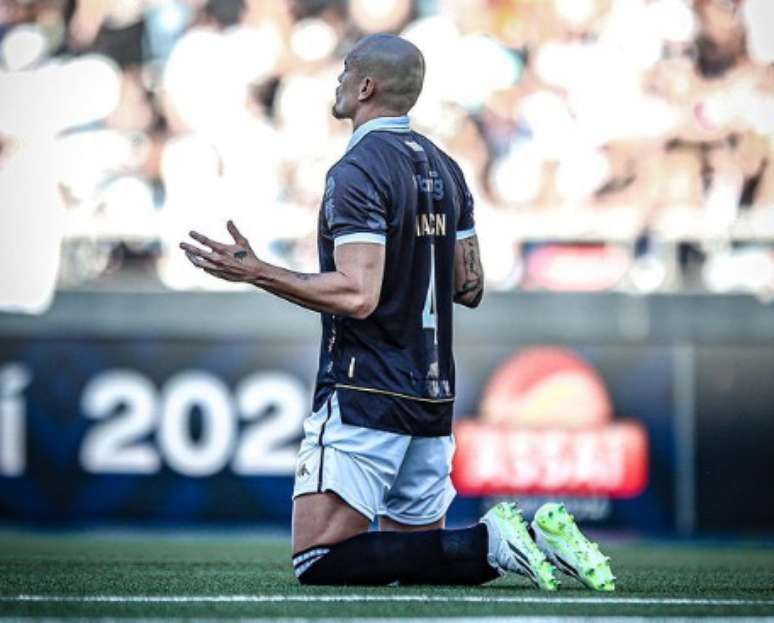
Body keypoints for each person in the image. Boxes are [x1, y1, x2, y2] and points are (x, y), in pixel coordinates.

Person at [180, 33, 615, 590]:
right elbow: (470, 284)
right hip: (432, 394)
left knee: (319, 559)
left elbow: (358, 295)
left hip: (368, 390)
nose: (337, 82)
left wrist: (257, 271)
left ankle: (494, 542)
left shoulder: (357, 169)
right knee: (418, 562)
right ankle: (531, 542)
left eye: (344, 72)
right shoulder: (447, 167)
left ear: (366, 86)